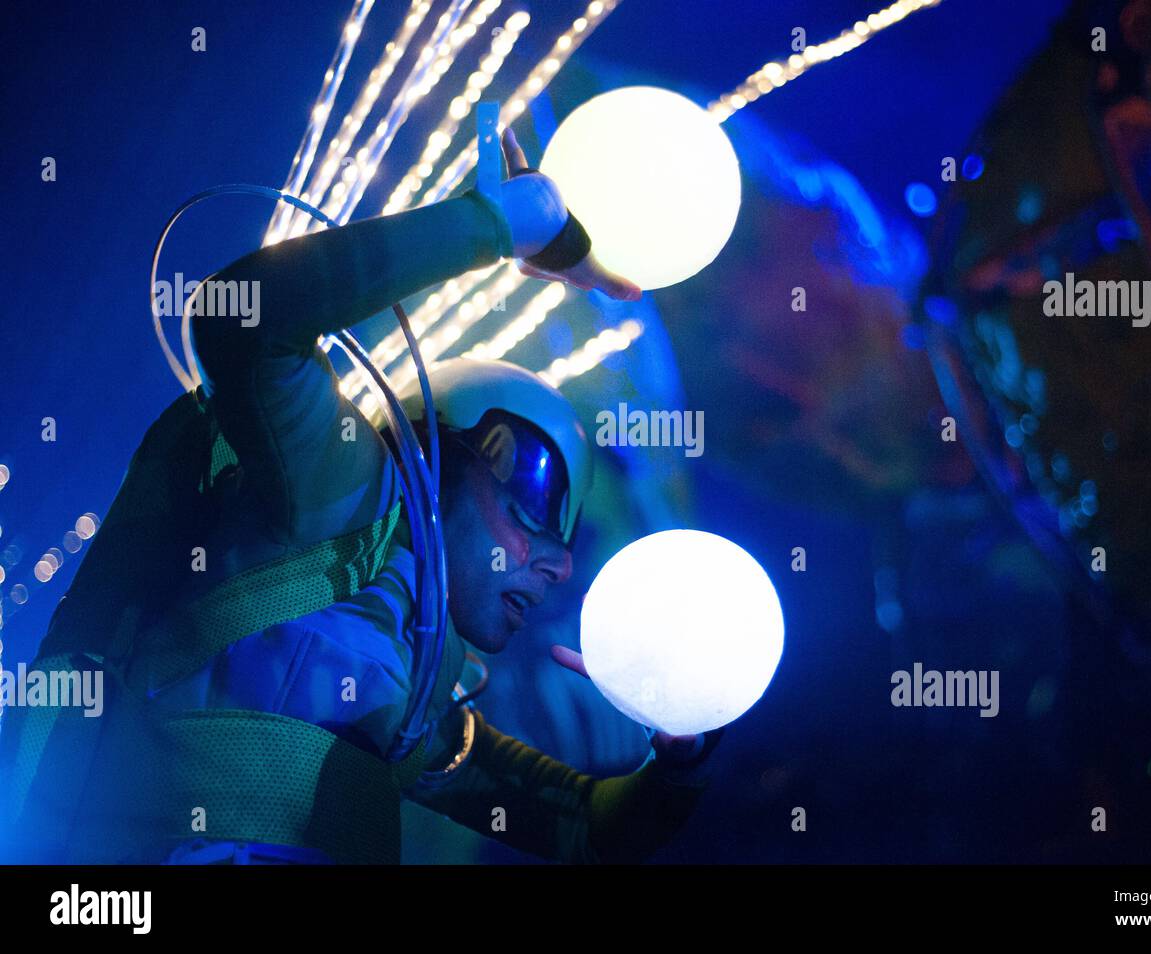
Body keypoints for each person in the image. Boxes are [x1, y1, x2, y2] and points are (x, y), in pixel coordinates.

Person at [0, 130, 720, 864]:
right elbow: (241, 317)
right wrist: (496, 224)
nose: (559, 565)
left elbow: (584, 829)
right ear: (436, 447)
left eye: (564, 534)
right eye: (536, 490)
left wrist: (682, 755)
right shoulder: (345, 482)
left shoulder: (420, 705)